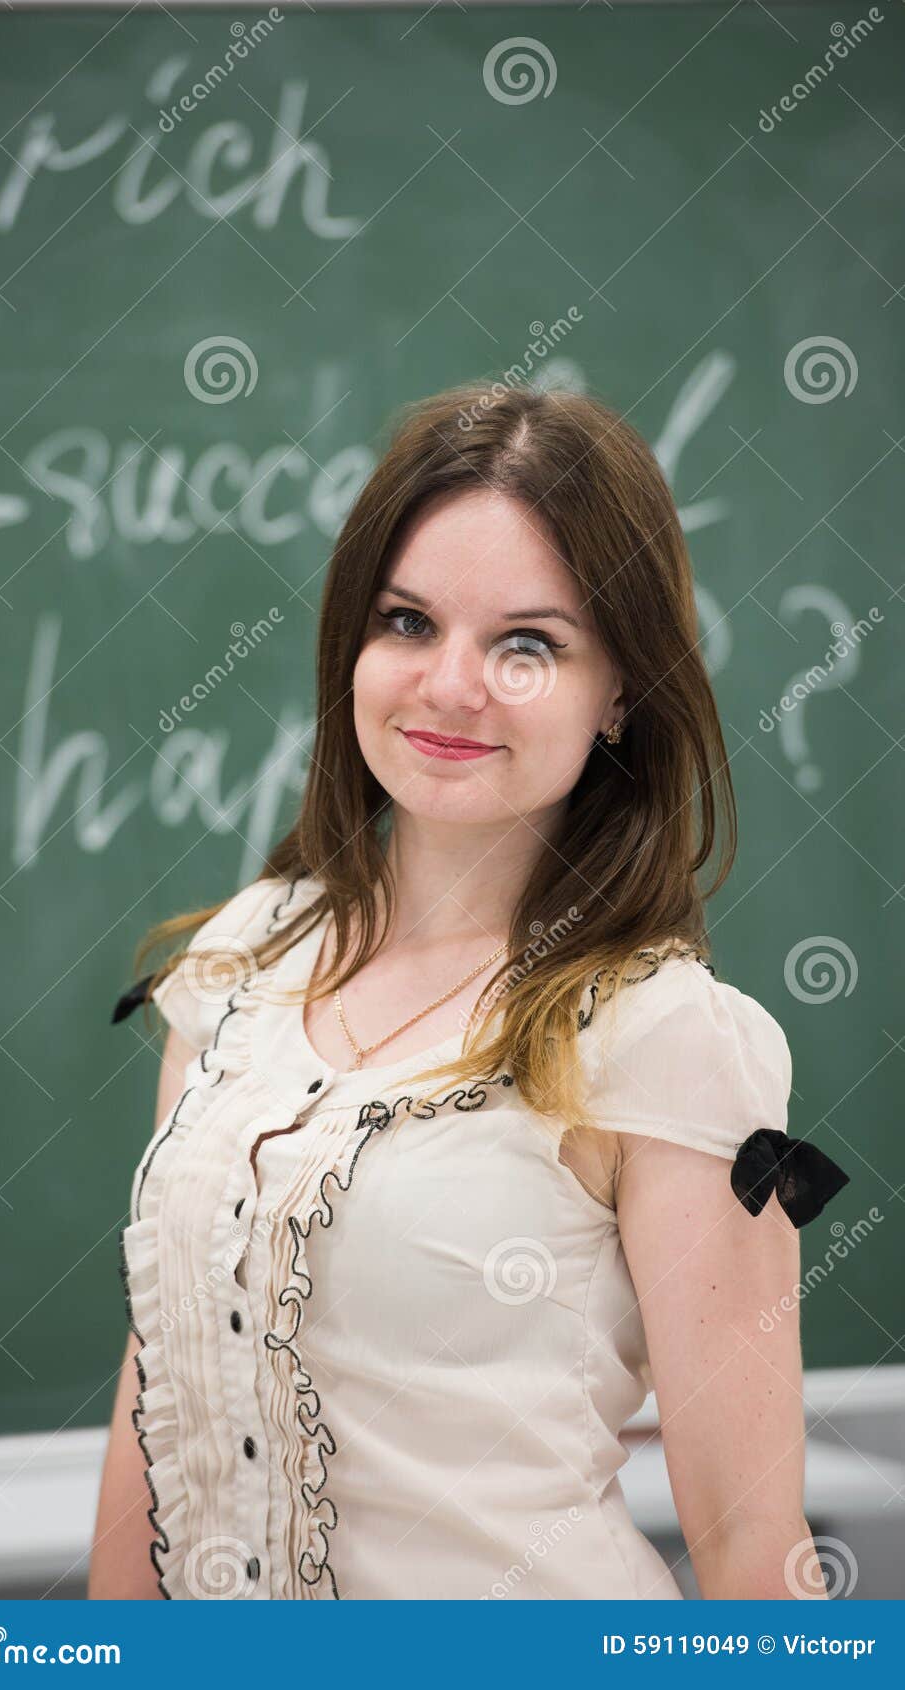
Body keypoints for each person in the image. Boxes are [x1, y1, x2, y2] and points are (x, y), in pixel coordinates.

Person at [90, 383, 848, 1601]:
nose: (451, 685)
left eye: (528, 644)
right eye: (407, 622)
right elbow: (165, 1377)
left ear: (620, 693)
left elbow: (750, 1545)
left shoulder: (673, 1042)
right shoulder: (241, 966)